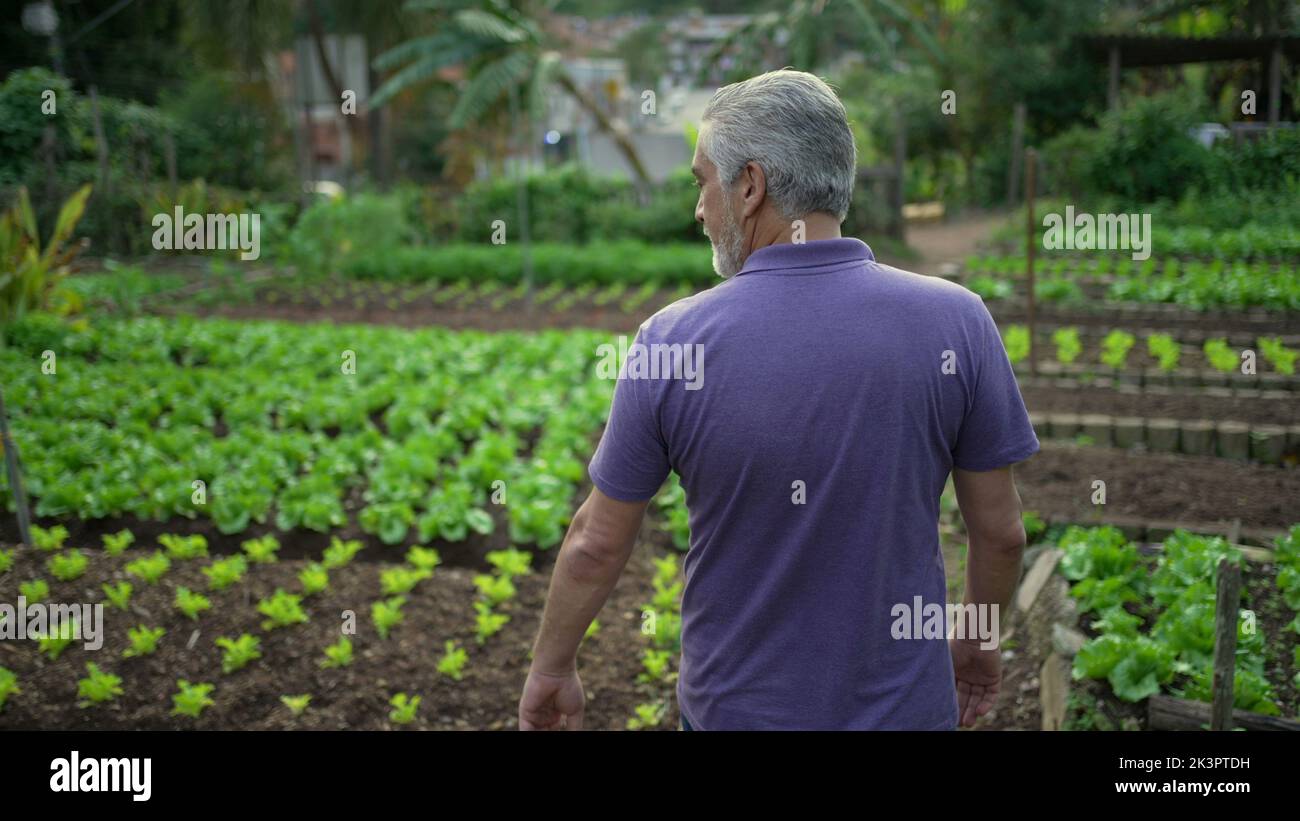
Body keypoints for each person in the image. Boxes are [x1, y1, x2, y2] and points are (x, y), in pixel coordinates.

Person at [518, 69, 1039, 731]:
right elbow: (999, 533)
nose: (699, 210)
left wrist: (551, 668)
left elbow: (596, 543)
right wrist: (977, 643)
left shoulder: (673, 342)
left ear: (750, 185)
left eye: (703, 182)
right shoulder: (957, 322)